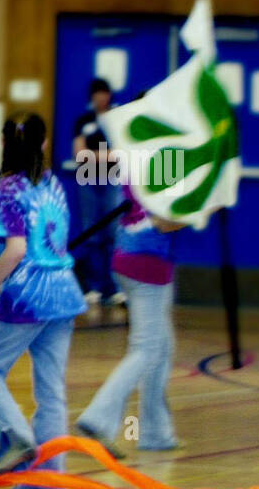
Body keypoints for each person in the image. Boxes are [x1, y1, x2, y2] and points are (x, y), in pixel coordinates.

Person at [0, 113, 87, 489]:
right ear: (44, 142)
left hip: (26, 293)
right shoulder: (52, 182)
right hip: (63, 293)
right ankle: (46, 484)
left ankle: (17, 437)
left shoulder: (7, 186)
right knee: (51, 393)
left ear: (3, 145)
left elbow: (16, 248)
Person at [76, 184, 186, 456]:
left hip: (130, 258)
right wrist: (203, 209)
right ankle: (98, 418)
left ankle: (156, 433)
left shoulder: (138, 158)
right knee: (146, 349)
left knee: (161, 349)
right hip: (147, 264)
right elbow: (163, 222)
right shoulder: (165, 163)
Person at [71, 77, 125, 307]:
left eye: (104, 93)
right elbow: (79, 154)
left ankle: (115, 288)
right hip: (88, 180)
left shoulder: (118, 118)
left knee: (113, 233)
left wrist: (95, 155)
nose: (101, 98)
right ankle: (93, 286)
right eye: (97, 93)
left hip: (113, 179)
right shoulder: (84, 121)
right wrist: (102, 155)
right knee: (91, 233)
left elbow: (122, 152)